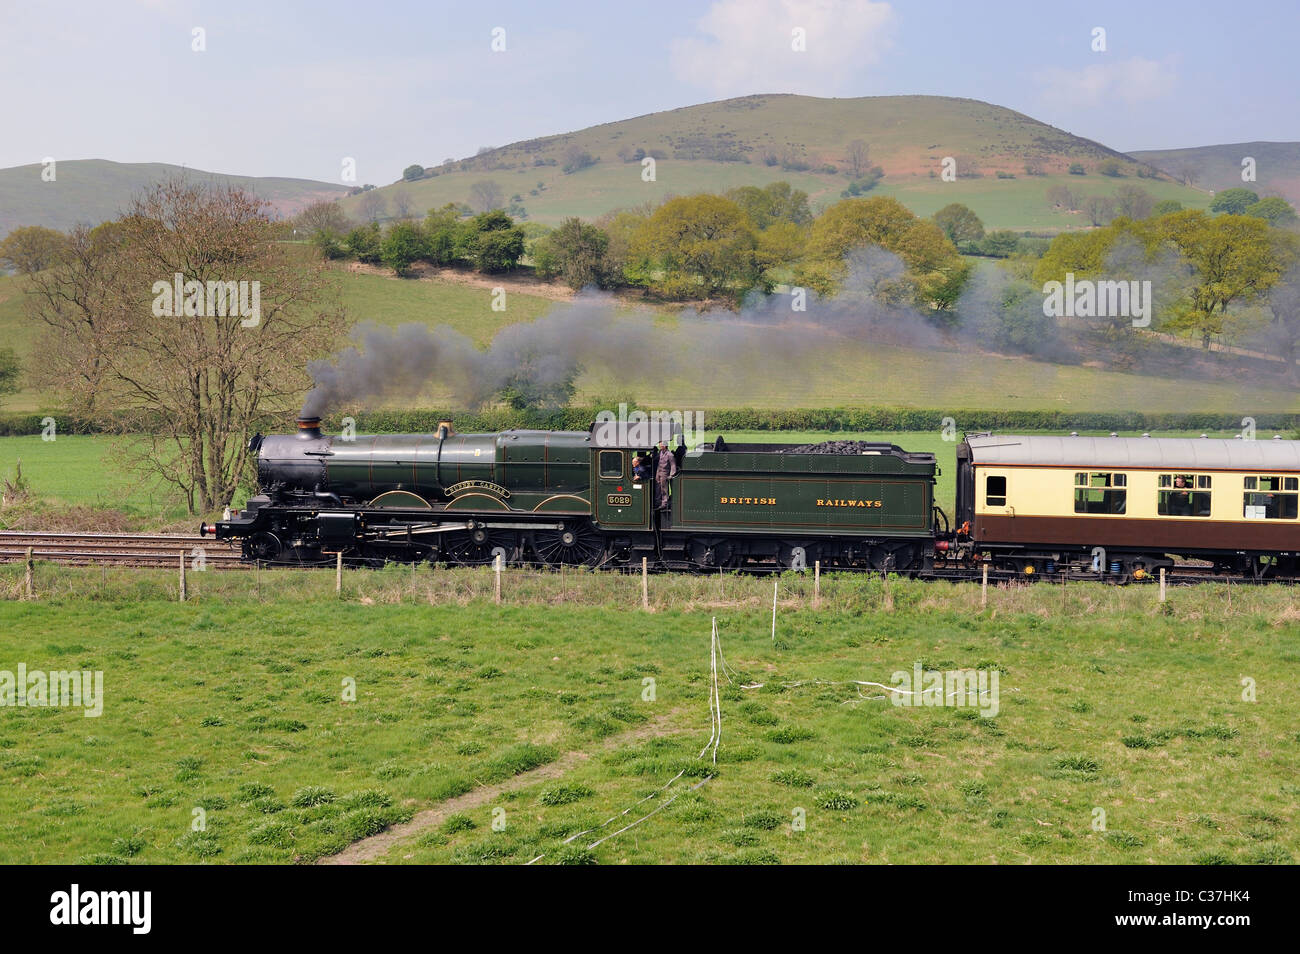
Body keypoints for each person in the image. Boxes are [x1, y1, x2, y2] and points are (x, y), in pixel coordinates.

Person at [654, 440, 678, 511]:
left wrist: (671, 475)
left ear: (665, 446)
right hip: (658, 472)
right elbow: (657, 461)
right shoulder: (660, 452)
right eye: (660, 445)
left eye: (661, 445)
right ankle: (657, 502)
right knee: (657, 488)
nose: (660, 446)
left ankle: (664, 503)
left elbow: (673, 465)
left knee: (664, 489)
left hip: (665, 473)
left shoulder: (670, 455)